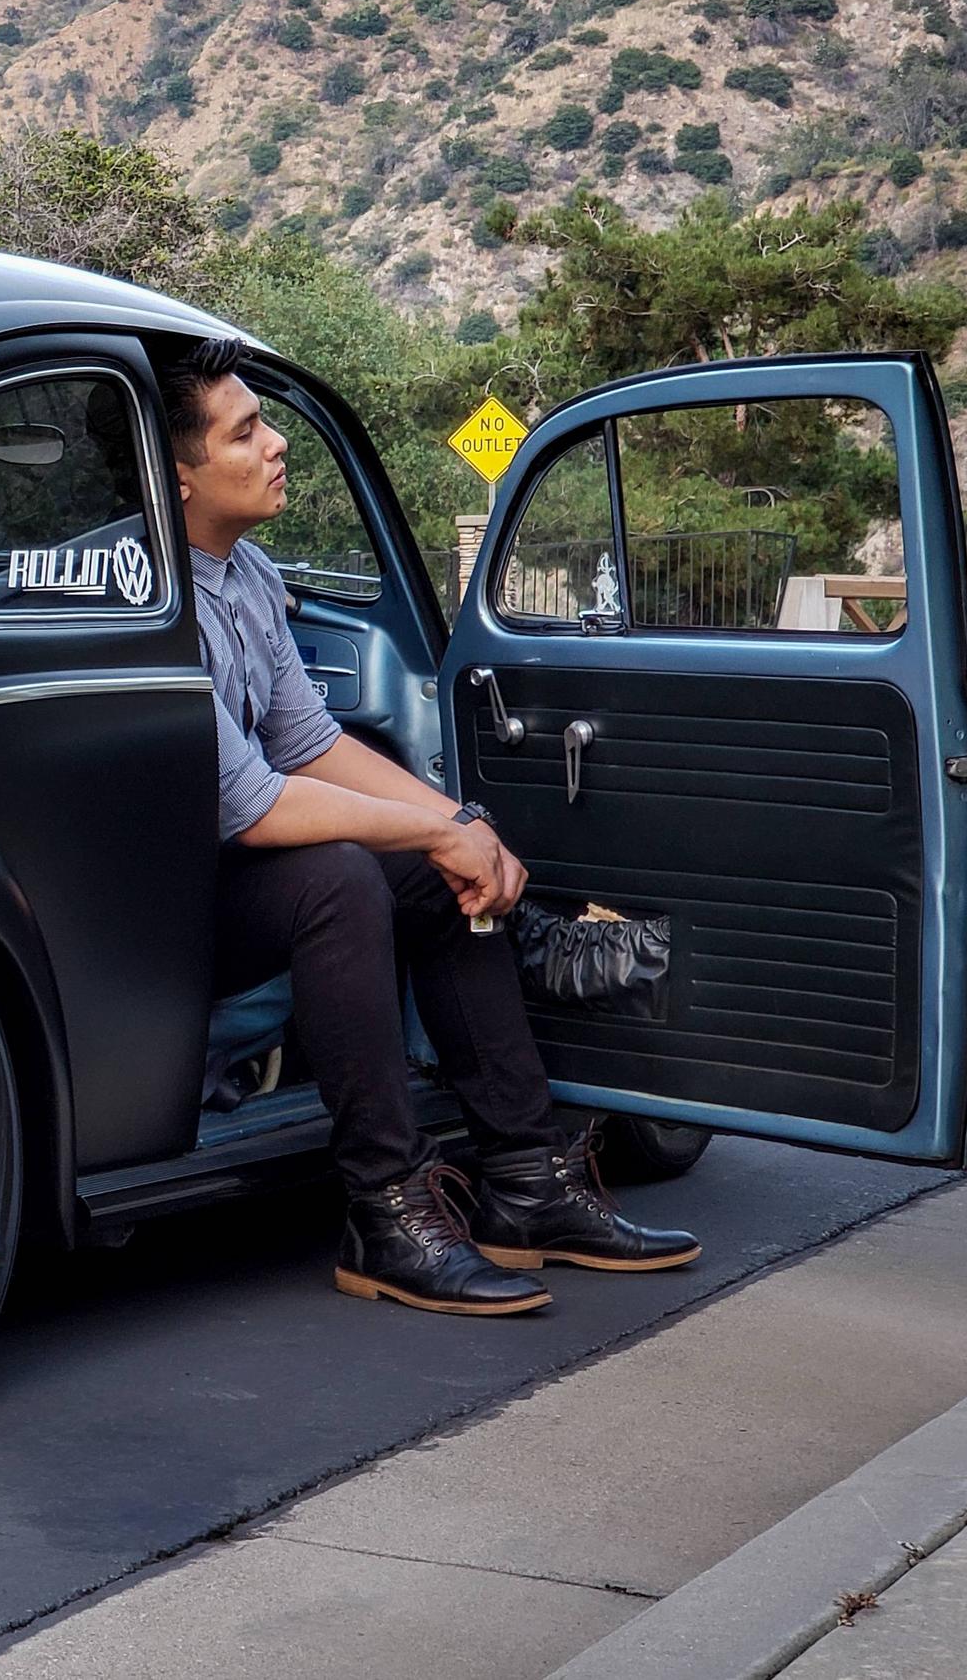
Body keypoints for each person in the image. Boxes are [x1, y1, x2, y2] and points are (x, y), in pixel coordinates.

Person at [160, 338, 698, 1317]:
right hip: (151, 902)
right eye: (245, 430)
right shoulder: (162, 604)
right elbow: (252, 801)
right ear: (180, 473)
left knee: (423, 868)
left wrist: (456, 821)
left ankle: (526, 1181)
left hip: (223, 874)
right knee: (344, 881)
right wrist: (430, 833)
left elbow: (311, 742)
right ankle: (387, 1207)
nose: (279, 443)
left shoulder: (245, 575)